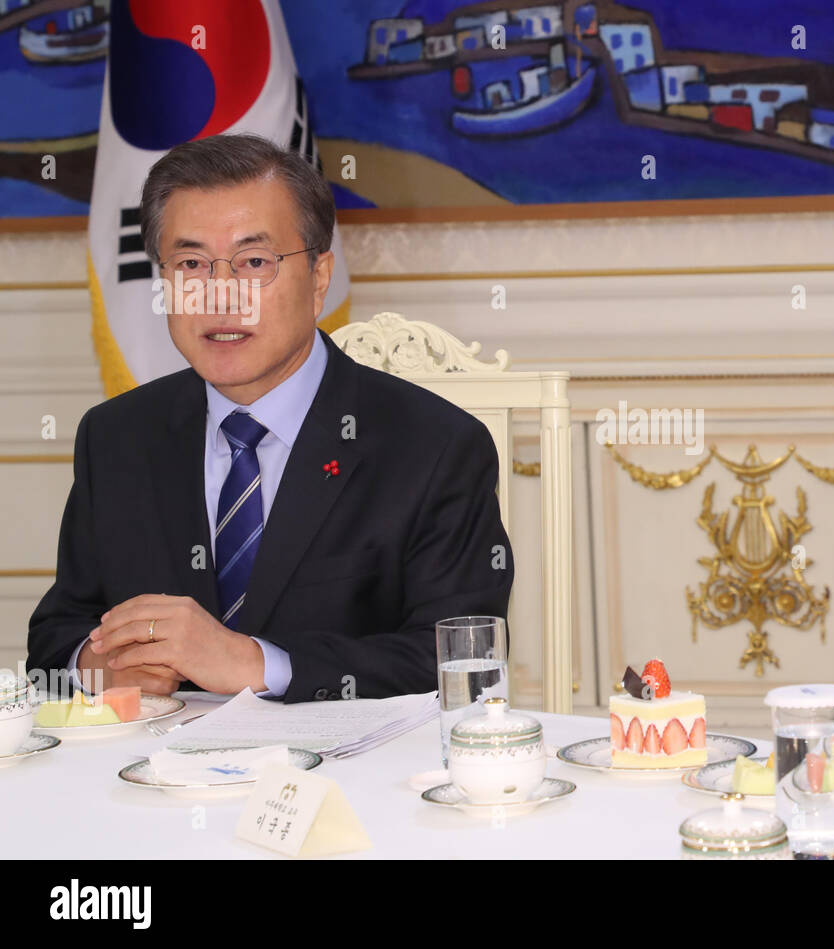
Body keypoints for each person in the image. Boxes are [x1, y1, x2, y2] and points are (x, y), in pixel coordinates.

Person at [26, 134, 512, 703]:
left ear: (319, 278)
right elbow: (52, 643)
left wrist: (257, 663)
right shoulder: (116, 437)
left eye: (254, 262)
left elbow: (466, 665)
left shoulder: (434, 446)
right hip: (155, 777)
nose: (221, 296)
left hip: (351, 785)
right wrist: (95, 665)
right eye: (191, 264)